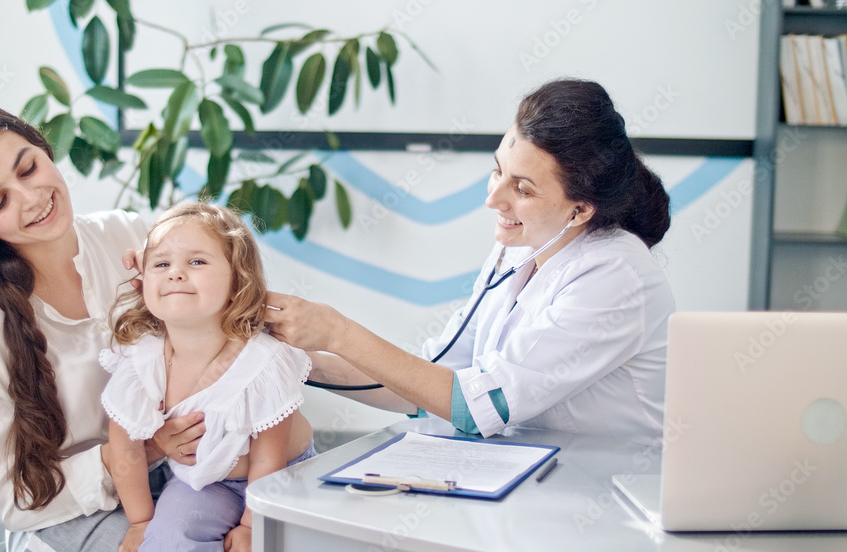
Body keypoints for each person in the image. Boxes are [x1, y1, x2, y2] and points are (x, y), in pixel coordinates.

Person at [0, 105, 248, 552]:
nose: (31, 198)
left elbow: (225, 324)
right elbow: (14, 498)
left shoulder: (128, 235)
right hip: (62, 528)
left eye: (28, 168)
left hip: (182, 487)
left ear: (45, 153)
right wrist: (137, 452)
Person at [264, 78, 676, 447]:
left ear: (581, 209)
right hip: (527, 479)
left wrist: (336, 332)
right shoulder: (518, 250)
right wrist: (288, 359)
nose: (493, 199)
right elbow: (428, 384)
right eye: (498, 171)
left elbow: (473, 408)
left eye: (523, 189)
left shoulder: (615, 275)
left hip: (601, 492)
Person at [100, 202, 314, 552]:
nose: (176, 272)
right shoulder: (141, 360)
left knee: (312, 549)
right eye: (160, 264)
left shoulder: (260, 361)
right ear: (142, 280)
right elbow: (123, 446)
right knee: (168, 543)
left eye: (196, 261)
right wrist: (141, 520)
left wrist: (254, 522)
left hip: (283, 475)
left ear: (238, 281)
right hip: (203, 481)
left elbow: (269, 455)